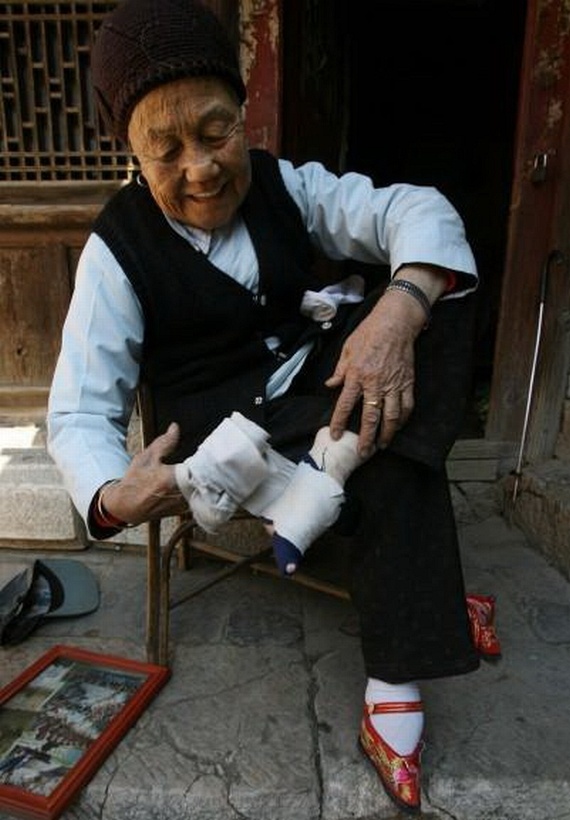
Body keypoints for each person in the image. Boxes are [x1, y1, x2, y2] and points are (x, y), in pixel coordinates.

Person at [46, 0, 496, 813]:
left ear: (242, 113)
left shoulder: (286, 182)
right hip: (233, 436)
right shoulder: (116, 250)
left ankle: (398, 562)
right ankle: (406, 645)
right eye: (165, 149)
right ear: (131, 152)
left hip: (315, 386)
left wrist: (396, 311)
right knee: (386, 440)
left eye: (215, 133)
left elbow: (416, 210)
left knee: (437, 302)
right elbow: (79, 413)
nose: (202, 168)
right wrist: (115, 495)